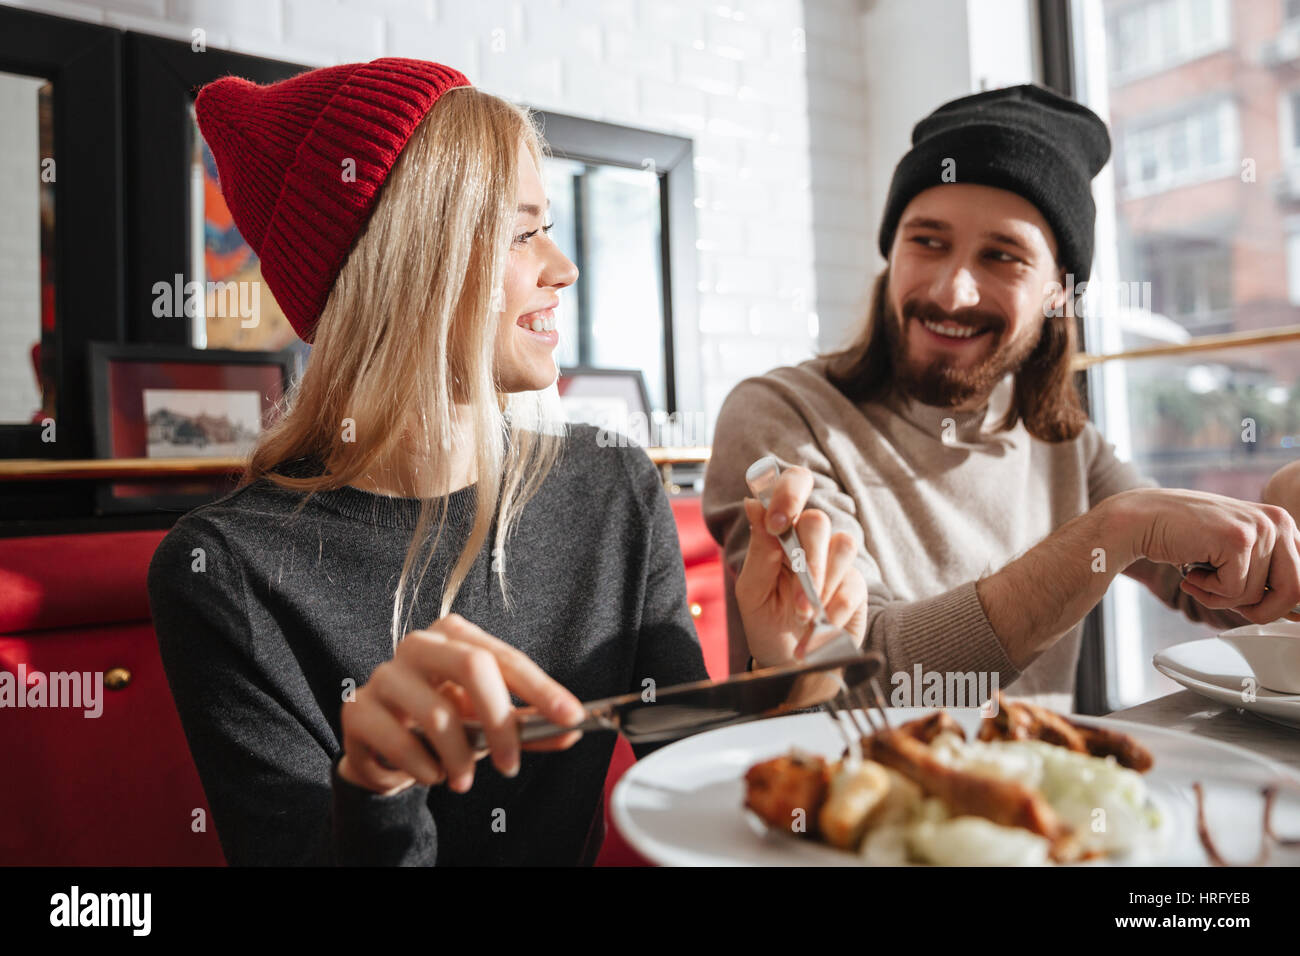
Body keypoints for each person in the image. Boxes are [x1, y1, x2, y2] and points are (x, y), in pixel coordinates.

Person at [147, 58, 866, 867]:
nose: (564, 268)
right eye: (523, 232)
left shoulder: (612, 490)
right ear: (408, 261)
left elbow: (700, 796)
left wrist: (783, 666)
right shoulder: (224, 571)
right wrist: (376, 786)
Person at [702, 84, 1300, 713]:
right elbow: (856, 676)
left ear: (1056, 294)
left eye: (1002, 257)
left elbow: (1219, 593)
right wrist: (1113, 530)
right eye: (926, 241)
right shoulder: (780, 416)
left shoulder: (1068, 447)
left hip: (1037, 803)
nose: (952, 292)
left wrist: (1278, 538)